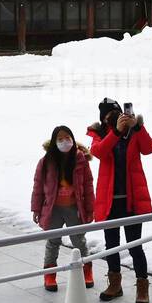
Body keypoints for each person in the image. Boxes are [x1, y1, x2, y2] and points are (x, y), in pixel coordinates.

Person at [88, 96, 152, 303]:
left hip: (132, 200)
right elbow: (98, 152)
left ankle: (142, 287)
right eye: (109, 115)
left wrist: (138, 128)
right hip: (110, 201)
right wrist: (115, 132)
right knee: (112, 246)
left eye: (117, 113)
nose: (115, 117)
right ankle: (115, 284)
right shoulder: (100, 134)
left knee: (135, 246)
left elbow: (150, 148)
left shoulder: (134, 133)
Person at [31, 125, 95, 293]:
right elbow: (38, 186)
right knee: (53, 241)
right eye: (60, 139)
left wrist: (90, 209)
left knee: (79, 240)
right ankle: (49, 274)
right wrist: (36, 209)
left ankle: (86, 270)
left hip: (74, 207)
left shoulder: (80, 159)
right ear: (54, 142)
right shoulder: (46, 162)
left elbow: (88, 186)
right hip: (53, 209)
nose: (64, 141)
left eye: (67, 137)